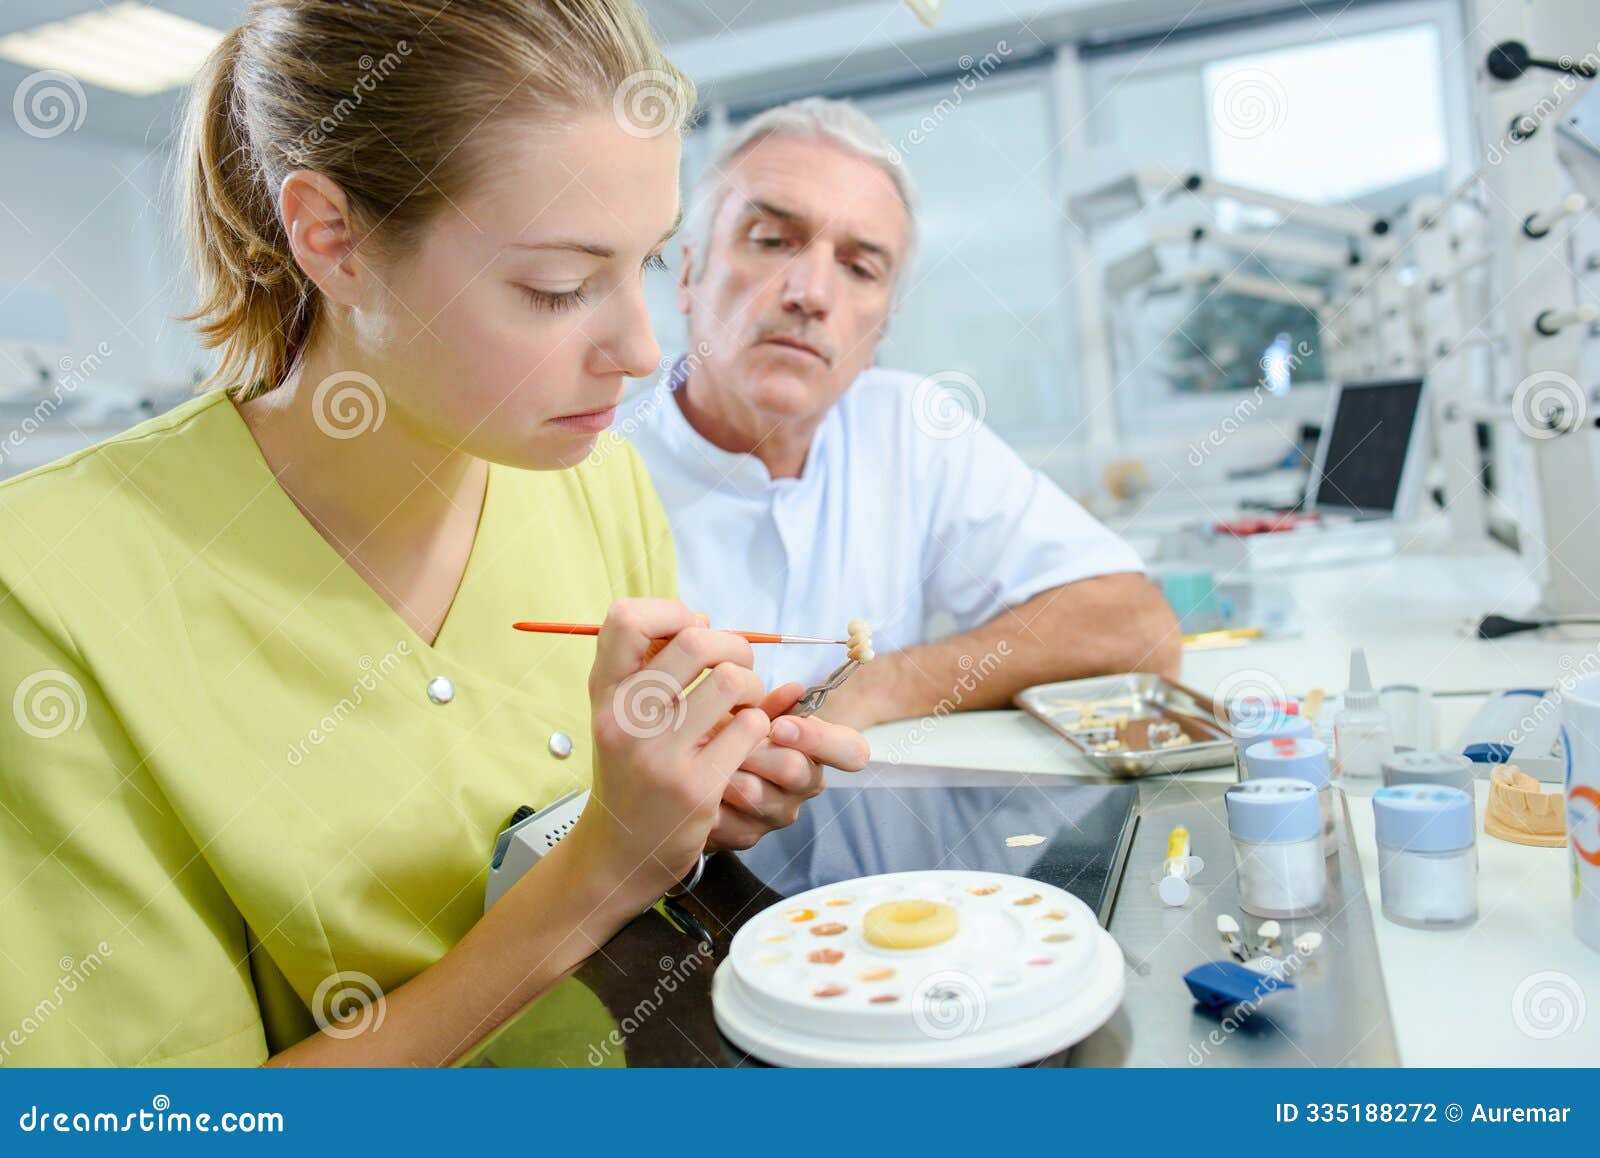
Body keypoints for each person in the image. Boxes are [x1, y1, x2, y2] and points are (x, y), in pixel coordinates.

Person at [0, 0, 865, 1068]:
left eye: (645, 264)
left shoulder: (601, 486)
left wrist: (690, 802)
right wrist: (603, 868)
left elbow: (629, 869)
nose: (643, 349)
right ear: (333, 239)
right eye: (557, 288)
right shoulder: (48, 590)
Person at [615, 98, 1180, 732]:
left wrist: (882, 685)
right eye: (772, 241)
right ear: (689, 274)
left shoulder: (912, 429)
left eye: (860, 267)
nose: (811, 294)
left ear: (881, 326)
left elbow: (1137, 627)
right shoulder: (592, 465)